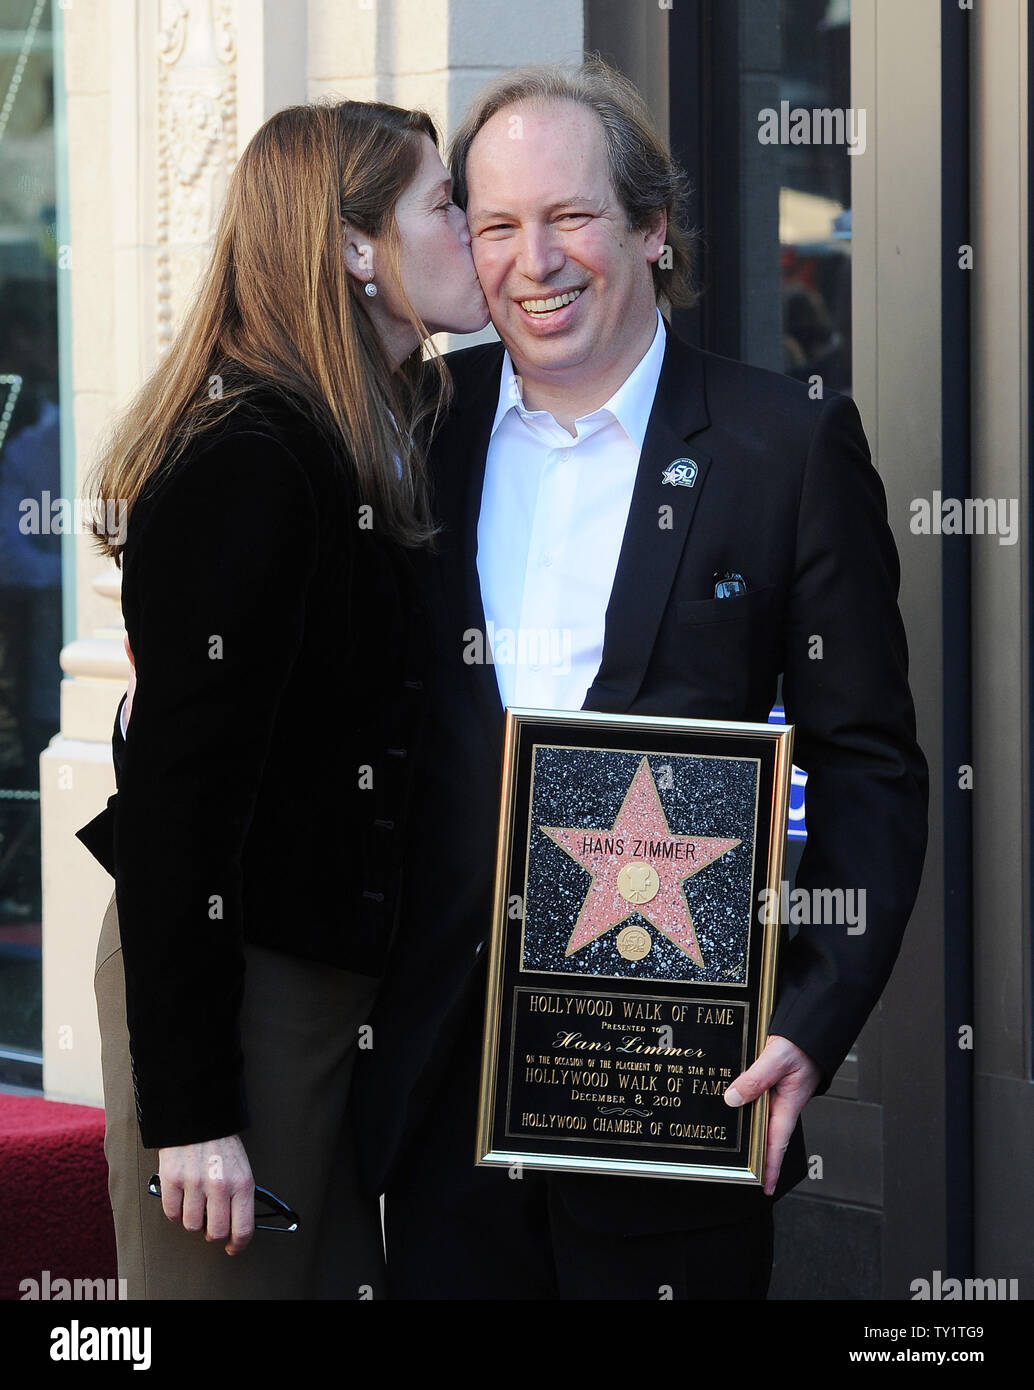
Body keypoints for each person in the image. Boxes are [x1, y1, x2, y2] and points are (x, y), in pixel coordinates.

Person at [350, 60, 929, 1300]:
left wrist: (808, 1024)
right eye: (494, 223)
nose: (531, 259)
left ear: (652, 226)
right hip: (441, 1092)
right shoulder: (411, 432)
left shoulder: (785, 443)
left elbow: (869, 762)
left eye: (568, 217)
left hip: (675, 1084)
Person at [74, 98, 489, 1299]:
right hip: (236, 996)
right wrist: (190, 1108)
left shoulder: (384, 423)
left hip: (336, 996)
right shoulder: (252, 460)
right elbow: (179, 811)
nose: (472, 232)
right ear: (355, 246)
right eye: (445, 204)